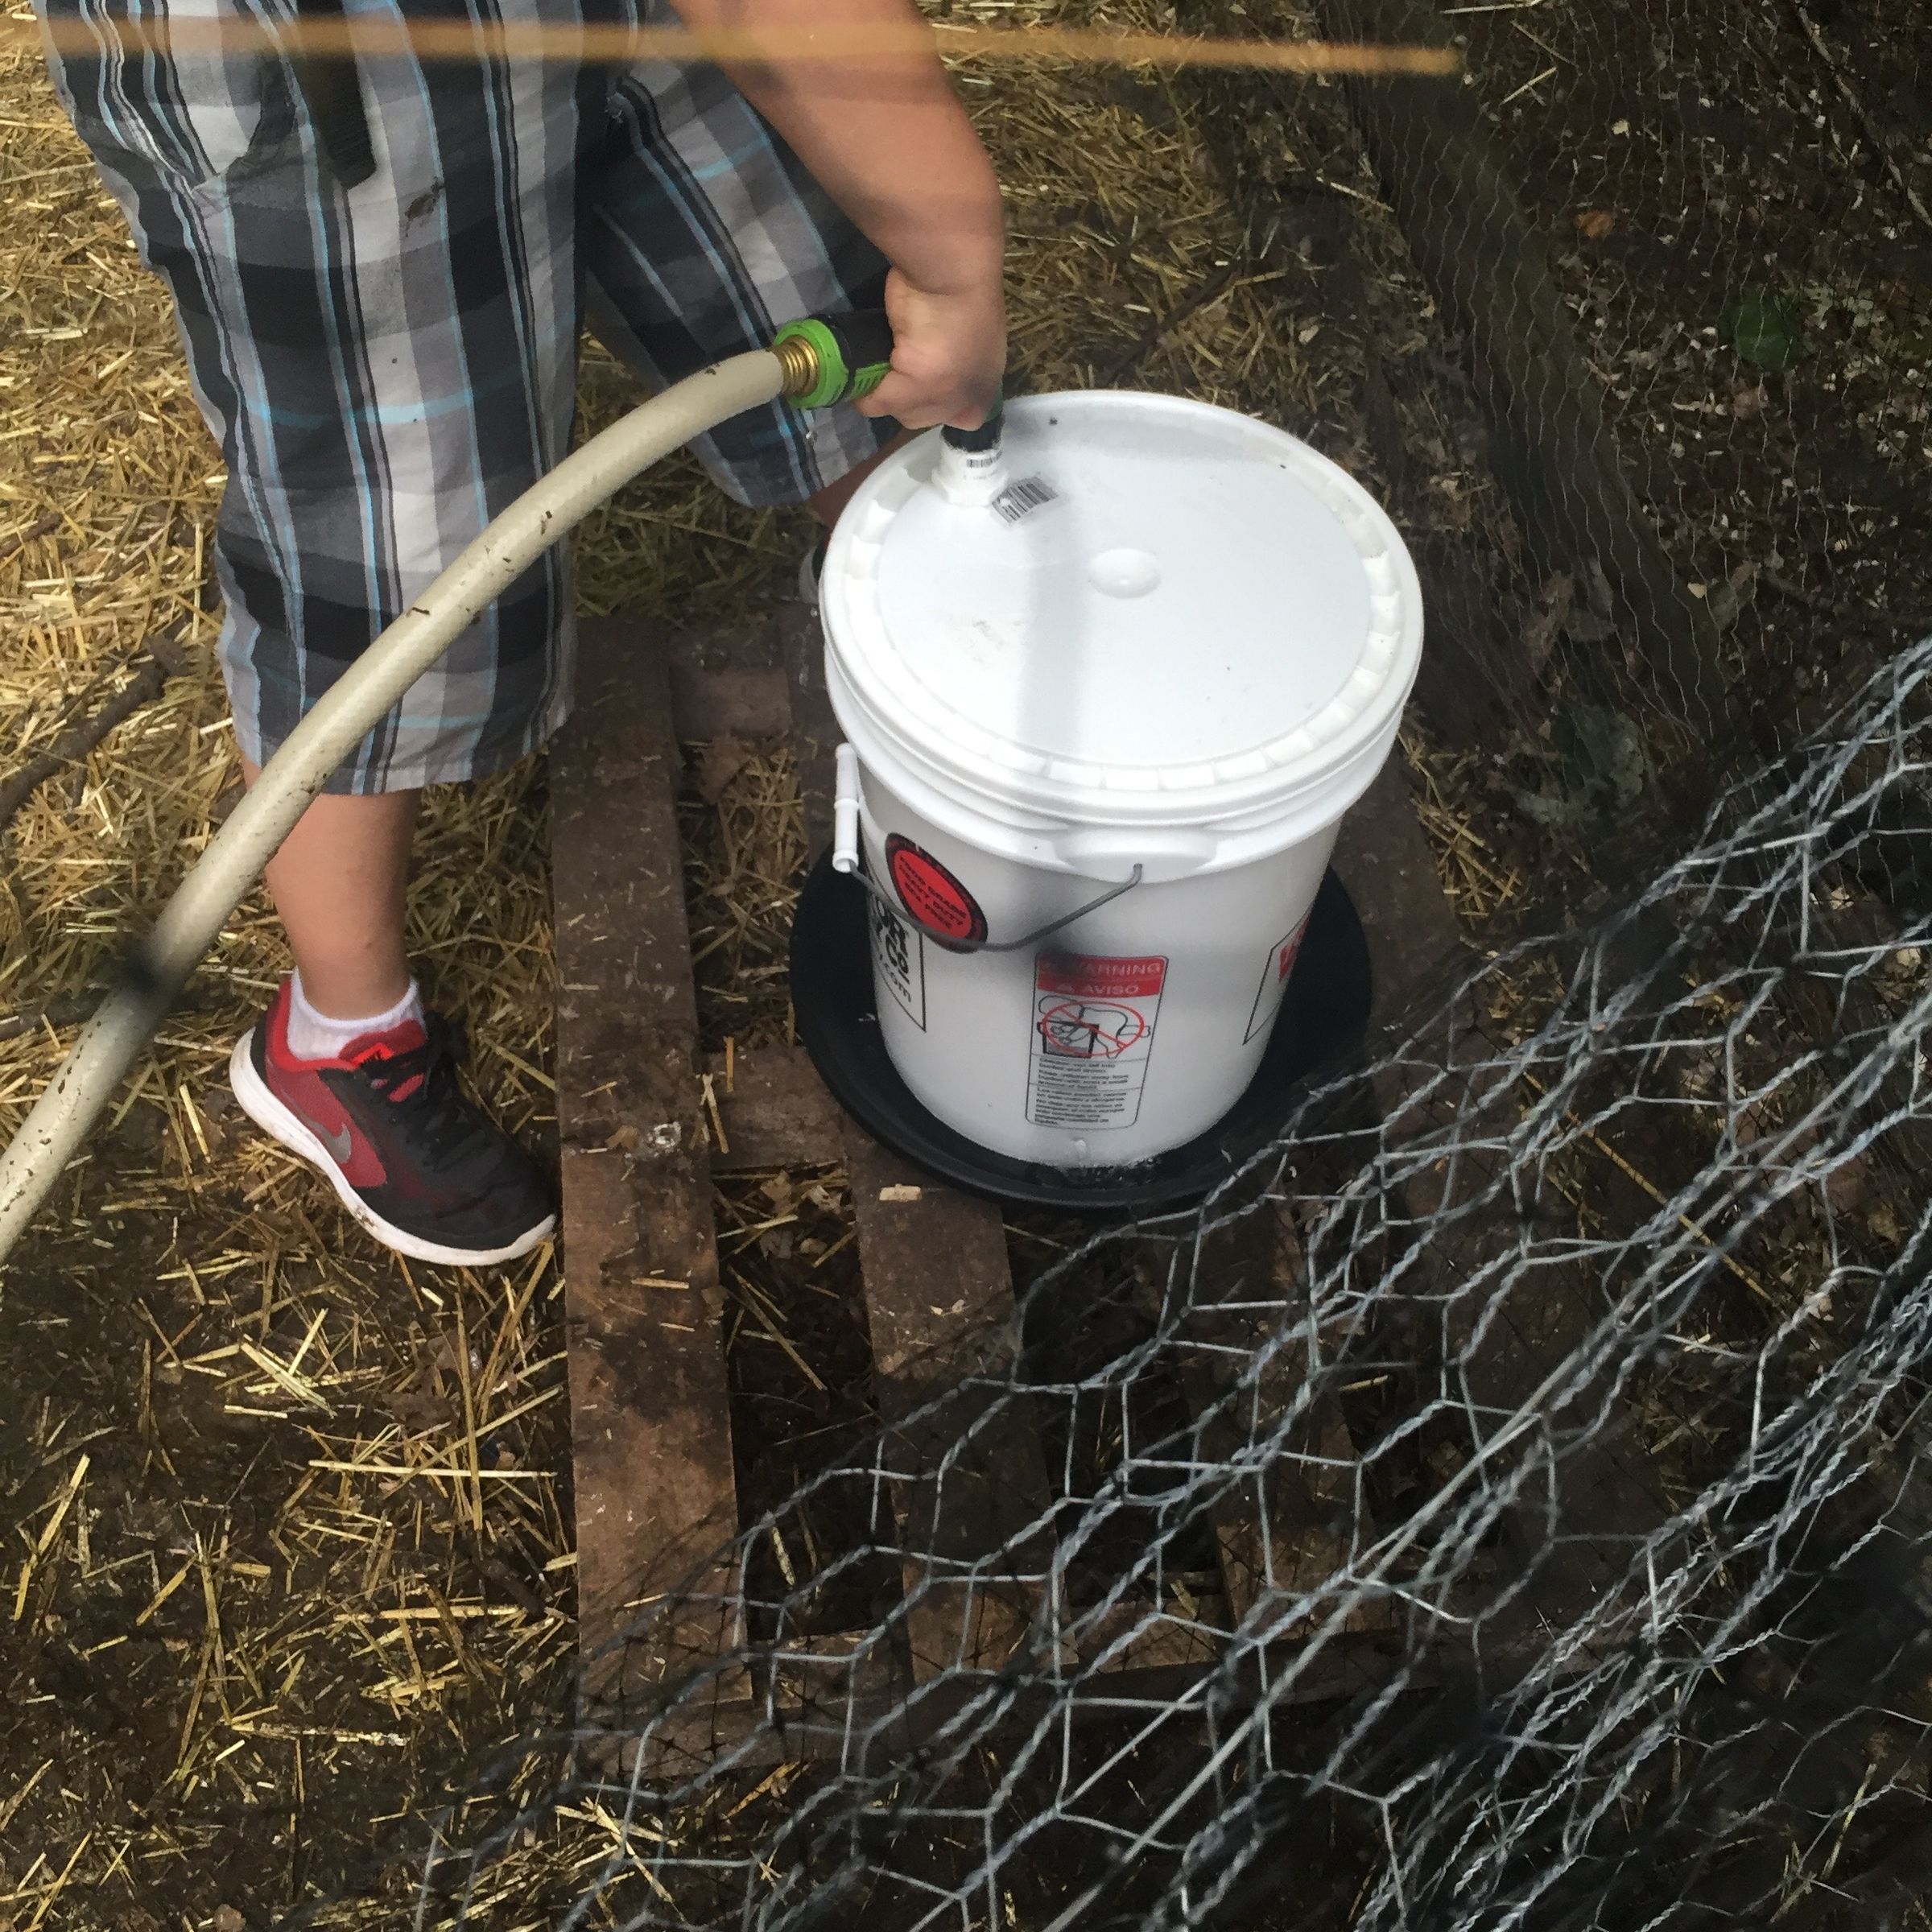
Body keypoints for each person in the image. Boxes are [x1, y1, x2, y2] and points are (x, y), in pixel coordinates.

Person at [37, 0, 1006, 1265]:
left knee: (816, 286)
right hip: (316, 55)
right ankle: (339, 1042)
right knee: (390, 544)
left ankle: (981, 709)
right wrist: (957, 254)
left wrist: (922, 268)